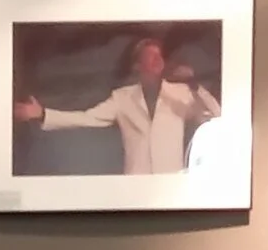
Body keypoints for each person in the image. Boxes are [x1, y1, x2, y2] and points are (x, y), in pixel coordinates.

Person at [13, 38, 220, 176]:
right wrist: (42, 114)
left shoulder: (181, 92)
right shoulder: (122, 98)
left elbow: (215, 114)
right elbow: (88, 117)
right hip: (134, 188)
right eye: (150, 55)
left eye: (159, 55)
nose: (158, 59)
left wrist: (194, 85)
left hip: (171, 185)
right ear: (137, 66)